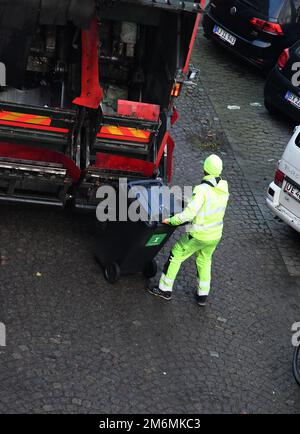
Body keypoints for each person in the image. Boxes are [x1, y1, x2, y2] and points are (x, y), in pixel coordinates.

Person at [148, 154, 229, 306]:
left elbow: (188, 215)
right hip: (215, 235)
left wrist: (170, 220)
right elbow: (208, 206)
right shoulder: (223, 189)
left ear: (205, 169)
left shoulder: (202, 190)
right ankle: (202, 295)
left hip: (199, 234)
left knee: (176, 254)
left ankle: (164, 289)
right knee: (205, 261)